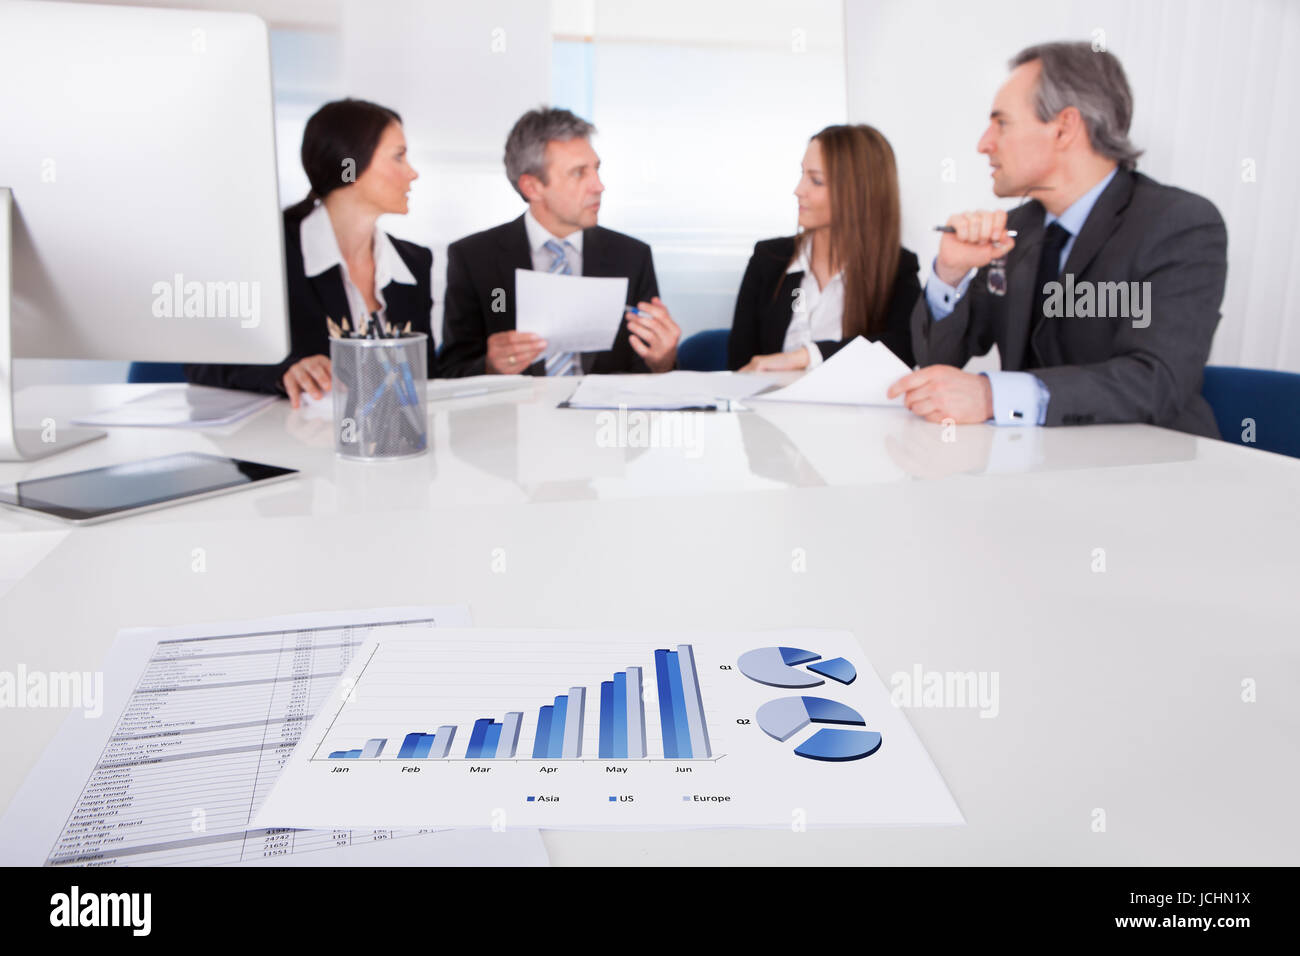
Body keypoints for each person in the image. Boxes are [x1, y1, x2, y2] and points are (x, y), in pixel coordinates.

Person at [888, 42, 1227, 437]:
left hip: (1147, 473)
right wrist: (950, 275)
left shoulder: (1178, 225)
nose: (984, 144)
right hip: (1035, 466)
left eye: (1002, 123)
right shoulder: (1015, 228)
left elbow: (1157, 381)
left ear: (1065, 128)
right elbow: (935, 360)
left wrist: (992, 395)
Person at [185, 98, 434, 408]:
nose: (412, 173)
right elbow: (206, 360)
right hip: (292, 447)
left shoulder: (414, 262)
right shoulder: (271, 252)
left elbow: (427, 382)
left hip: (394, 448)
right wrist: (284, 369)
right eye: (398, 157)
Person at [436, 107, 680, 378]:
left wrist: (663, 362)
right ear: (532, 187)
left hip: (603, 417)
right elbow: (450, 370)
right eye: (578, 173)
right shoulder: (475, 258)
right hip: (514, 416)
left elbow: (645, 373)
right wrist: (489, 366)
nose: (598, 186)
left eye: (596, 169)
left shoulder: (632, 257)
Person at [728, 125, 920, 372]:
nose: (798, 190)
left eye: (816, 180)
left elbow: (905, 347)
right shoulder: (769, 258)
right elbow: (739, 364)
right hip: (770, 409)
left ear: (858, 193)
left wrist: (805, 356)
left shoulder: (897, 268)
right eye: (802, 174)